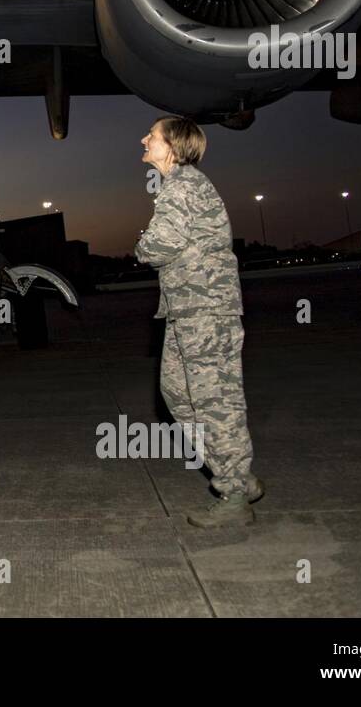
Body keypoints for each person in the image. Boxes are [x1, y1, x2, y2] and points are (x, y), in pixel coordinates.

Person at [135, 116, 263, 526]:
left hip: (205, 312)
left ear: (171, 146)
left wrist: (140, 246)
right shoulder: (178, 186)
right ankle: (237, 476)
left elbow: (161, 244)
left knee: (214, 403)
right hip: (187, 311)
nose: (144, 139)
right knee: (177, 395)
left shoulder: (183, 186)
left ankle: (233, 495)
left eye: (151, 136)